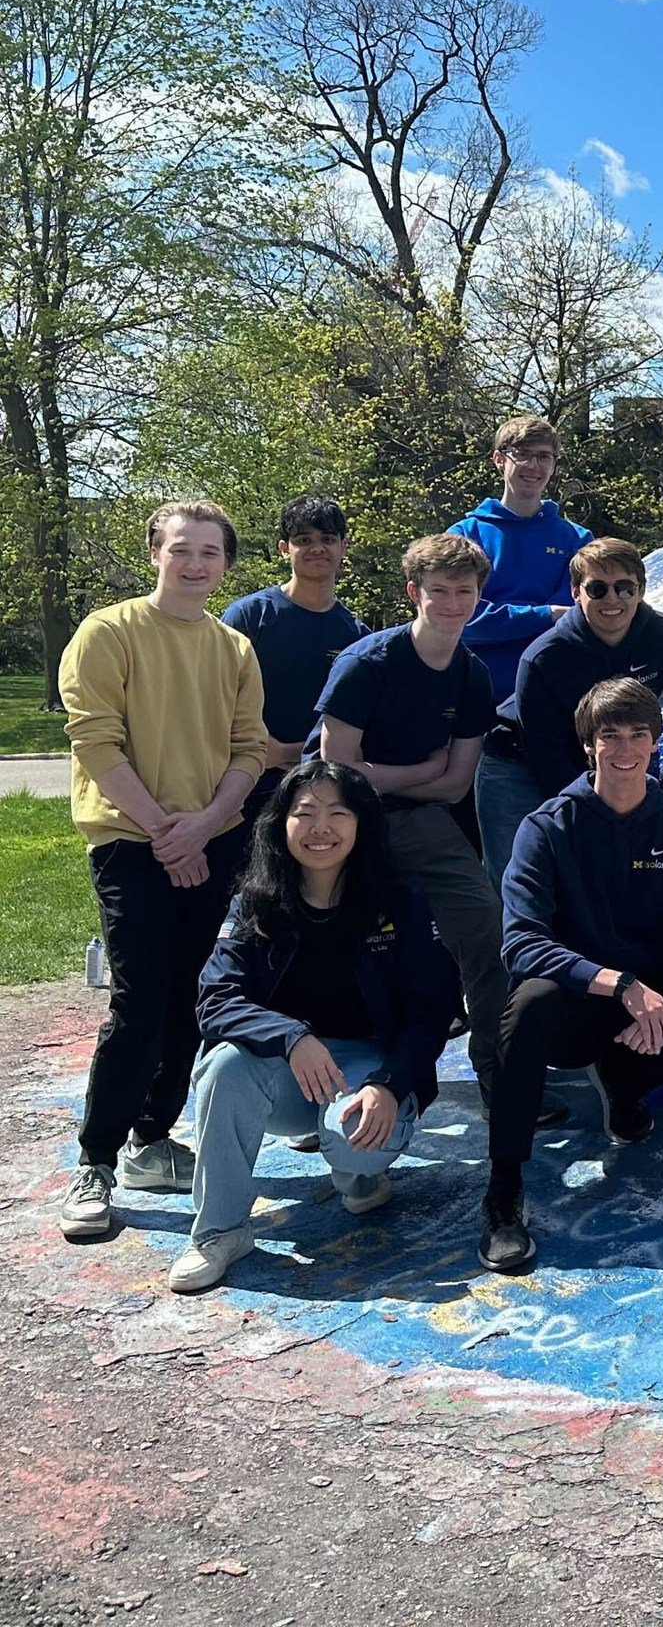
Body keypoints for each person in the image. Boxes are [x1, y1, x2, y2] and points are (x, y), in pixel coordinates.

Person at [55, 502, 267, 1243]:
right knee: (140, 1002)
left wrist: (203, 827)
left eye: (210, 552)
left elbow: (250, 752)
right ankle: (96, 1162)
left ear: (227, 564)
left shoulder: (234, 648)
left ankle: (153, 1140)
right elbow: (95, 742)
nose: (196, 564)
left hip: (211, 839)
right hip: (128, 840)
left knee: (192, 1002)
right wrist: (163, 833)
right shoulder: (107, 633)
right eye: (182, 549)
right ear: (155, 552)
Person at [481, 677, 663, 1273]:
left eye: (638, 735)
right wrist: (617, 983)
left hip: (650, 1007)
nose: (625, 749)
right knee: (525, 1010)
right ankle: (502, 1192)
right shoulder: (546, 828)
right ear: (589, 746)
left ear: (656, 743)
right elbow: (520, 943)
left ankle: (623, 1085)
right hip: (577, 993)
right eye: (610, 736)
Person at [170, 762, 458, 1291]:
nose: (320, 829)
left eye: (337, 814)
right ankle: (220, 1231)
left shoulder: (401, 902)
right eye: (304, 814)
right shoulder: (255, 902)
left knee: (354, 1140)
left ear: (361, 824)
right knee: (223, 1067)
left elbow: (431, 1009)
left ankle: (360, 1177)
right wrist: (291, 1036)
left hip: (366, 1069)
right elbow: (214, 998)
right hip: (286, 1069)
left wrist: (392, 1084)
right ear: (281, 824)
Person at [316, 534, 509, 1110]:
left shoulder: (472, 676)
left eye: (464, 592)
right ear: (413, 594)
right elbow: (334, 772)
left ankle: (502, 1074)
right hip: (334, 817)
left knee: (487, 925)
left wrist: (389, 774)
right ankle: (316, 1089)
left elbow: (454, 782)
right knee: (328, 938)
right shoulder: (367, 664)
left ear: (479, 597)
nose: (451, 604)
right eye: (439, 591)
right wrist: (416, 768)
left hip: (418, 817)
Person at [473, 537, 663, 888]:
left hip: (614, 754)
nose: (612, 599)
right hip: (519, 766)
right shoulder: (545, 657)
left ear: (641, 590)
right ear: (575, 592)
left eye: (624, 588)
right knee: (522, 885)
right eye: (597, 589)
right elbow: (544, 752)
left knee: (620, 883)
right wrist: (594, 810)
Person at [222, 495, 369, 819]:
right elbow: (213, 699)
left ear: (343, 547)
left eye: (328, 539)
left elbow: (360, 726)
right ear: (284, 548)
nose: (317, 548)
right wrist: (260, 750)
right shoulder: (250, 617)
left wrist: (288, 753)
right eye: (304, 540)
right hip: (244, 789)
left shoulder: (357, 636)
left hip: (322, 792)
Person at [446, 415, 595, 703]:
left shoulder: (577, 541)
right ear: (499, 460)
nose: (533, 466)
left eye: (543, 457)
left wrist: (503, 620)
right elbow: (460, 618)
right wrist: (545, 614)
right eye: (522, 455)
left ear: (553, 465)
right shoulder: (465, 535)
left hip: (555, 691)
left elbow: (579, 617)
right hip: (477, 694)